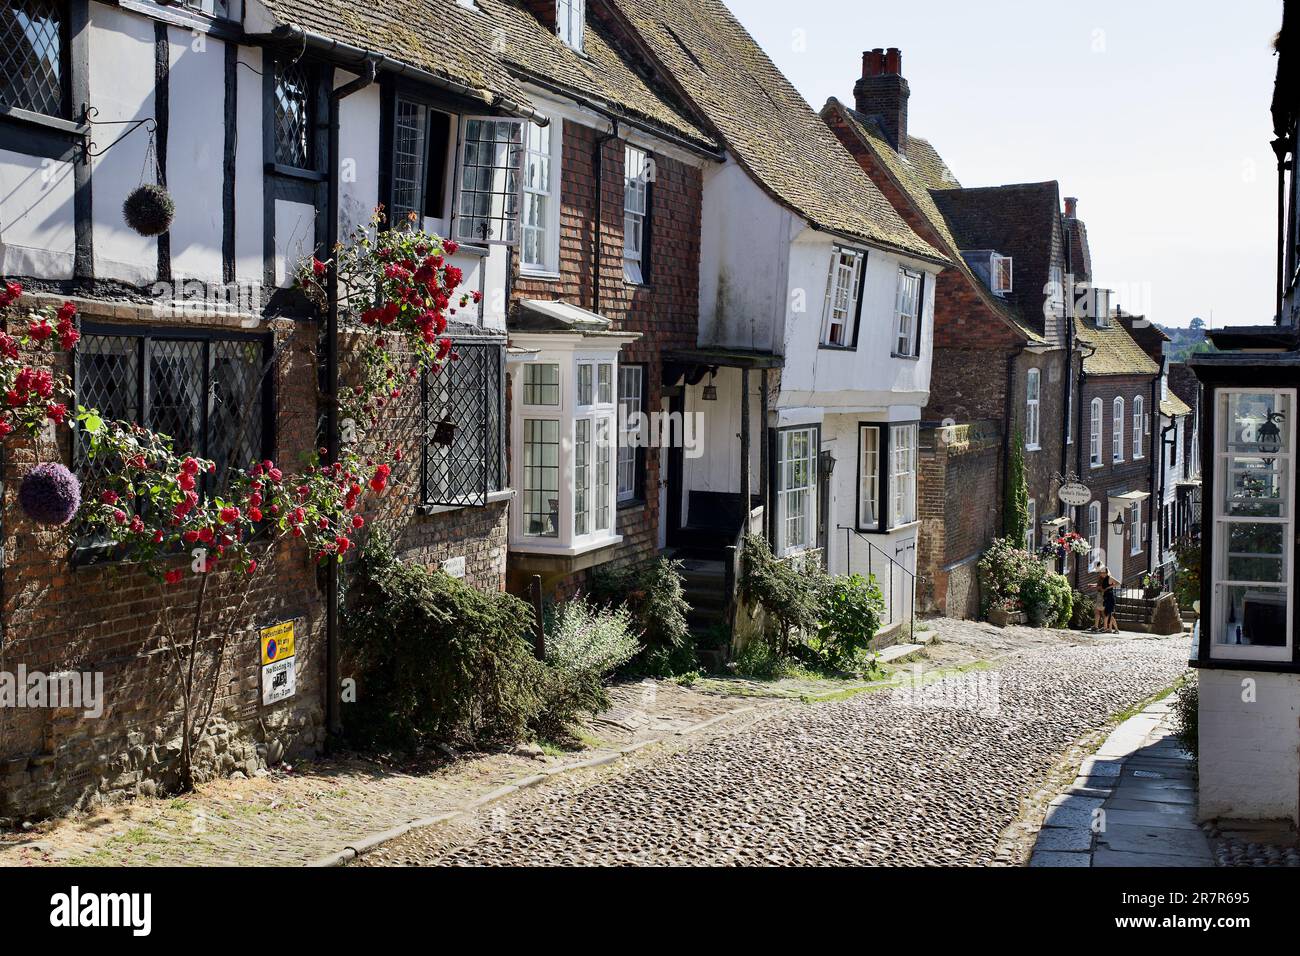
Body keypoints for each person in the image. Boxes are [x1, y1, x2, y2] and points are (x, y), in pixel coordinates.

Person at [1089, 567, 1118, 633]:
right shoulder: (1105, 579)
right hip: (1106, 597)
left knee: (1107, 613)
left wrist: (1108, 588)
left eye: (1101, 572)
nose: (1100, 573)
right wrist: (1094, 586)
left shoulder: (1109, 578)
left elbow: (1117, 583)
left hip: (1108, 598)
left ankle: (1107, 628)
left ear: (1105, 573)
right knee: (1107, 614)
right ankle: (1110, 629)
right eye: (1100, 572)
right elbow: (1101, 586)